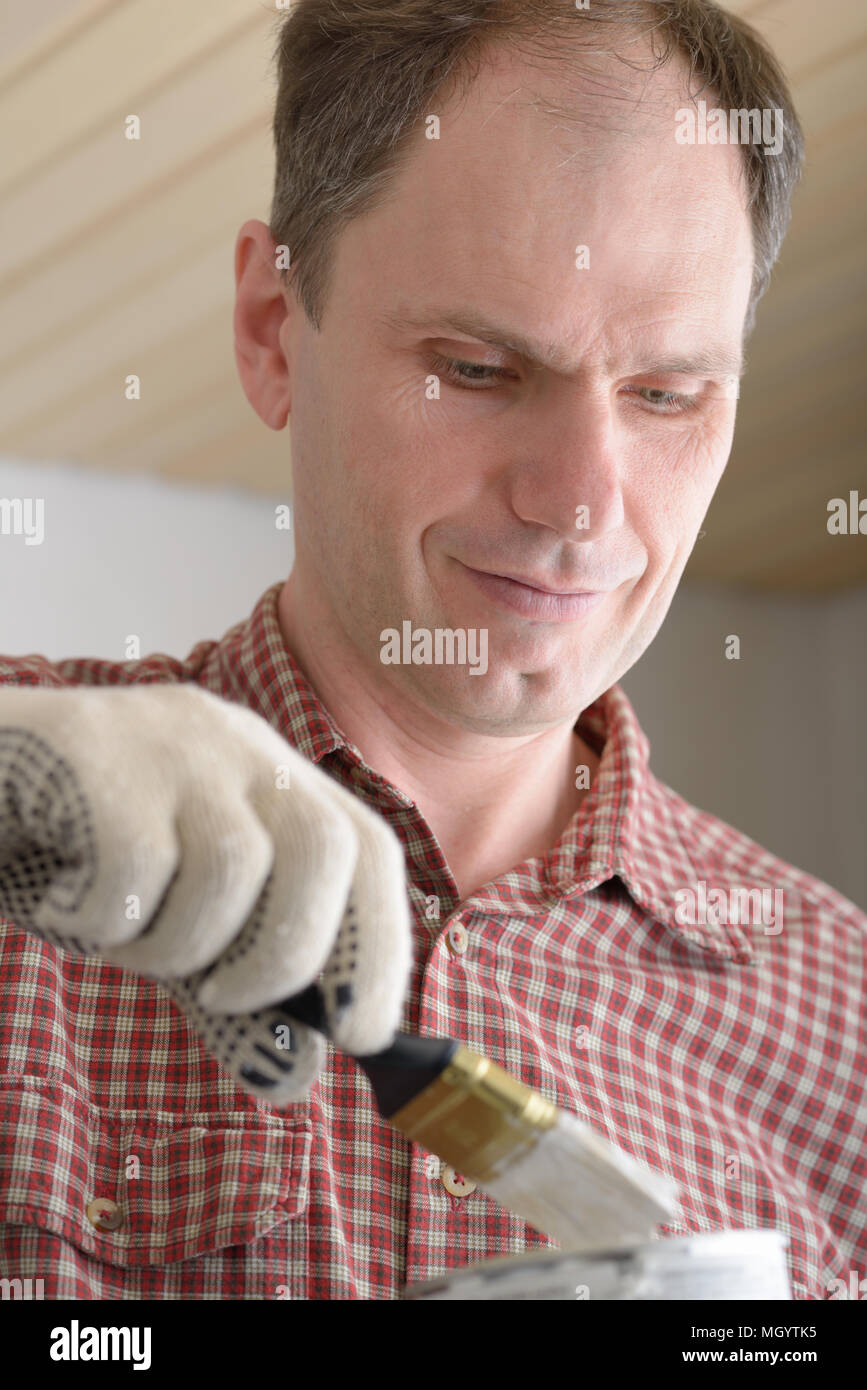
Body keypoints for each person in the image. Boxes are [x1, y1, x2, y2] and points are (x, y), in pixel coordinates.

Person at [0, 0, 863, 1302]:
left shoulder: (843, 1019)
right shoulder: (28, 814)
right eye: (475, 366)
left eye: (668, 393)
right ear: (271, 327)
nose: (580, 502)